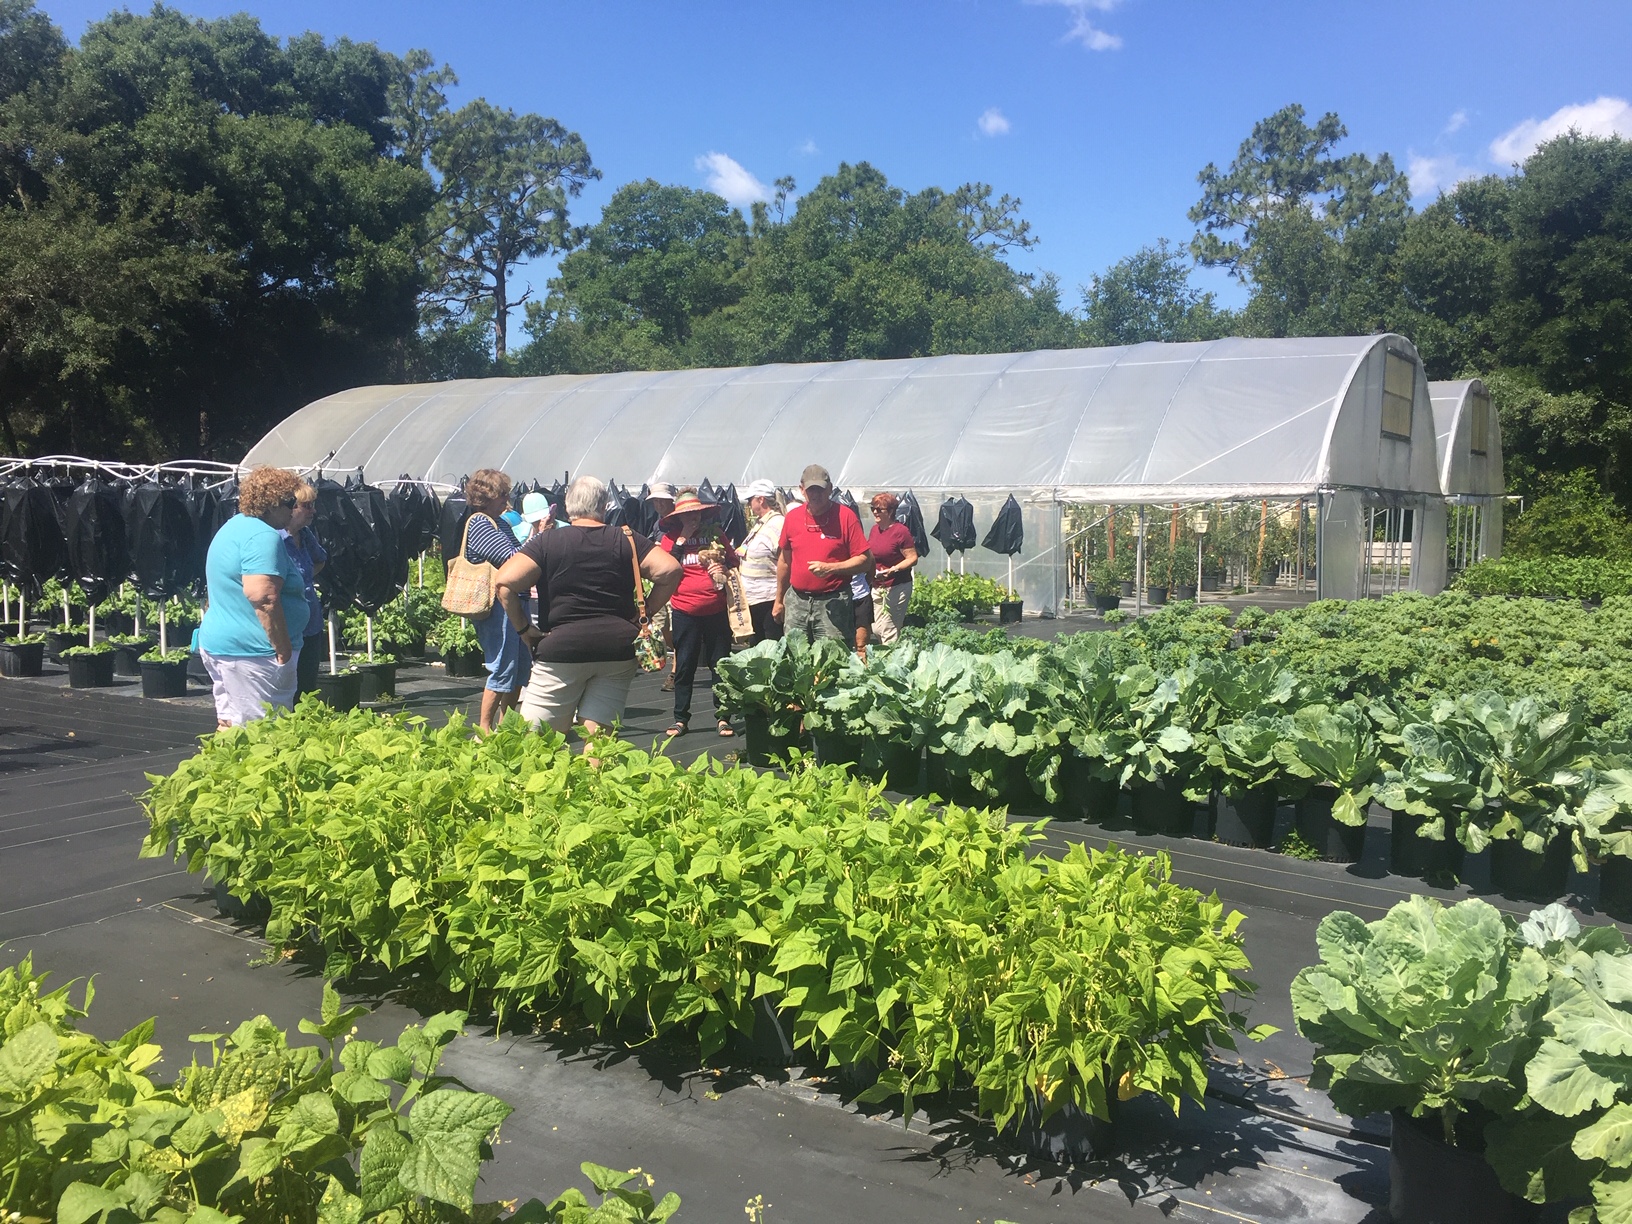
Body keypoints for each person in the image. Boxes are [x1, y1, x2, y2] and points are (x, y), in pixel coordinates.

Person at [495, 475, 683, 736]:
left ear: (567, 506)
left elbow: (504, 584)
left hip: (563, 649)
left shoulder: (549, 542)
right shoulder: (626, 538)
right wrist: (645, 612)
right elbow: (671, 570)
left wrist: (524, 629)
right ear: (605, 506)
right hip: (617, 650)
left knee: (537, 742)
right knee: (599, 739)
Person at [197, 466, 311, 729]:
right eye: (289, 503)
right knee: (264, 733)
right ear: (272, 504)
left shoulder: (234, 526)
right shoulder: (263, 536)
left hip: (226, 647)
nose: (294, 509)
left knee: (231, 726)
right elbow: (263, 596)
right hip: (253, 655)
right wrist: (282, 650)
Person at [657, 490, 740, 738]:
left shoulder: (715, 535)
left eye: (695, 513)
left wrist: (723, 566)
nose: (692, 518)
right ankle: (680, 718)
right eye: (686, 515)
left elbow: (734, 562)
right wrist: (683, 538)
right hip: (685, 610)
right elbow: (665, 567)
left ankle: (723, 717)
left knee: (720, 665)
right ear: (678, 518)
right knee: (685, 666)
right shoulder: (671, 539)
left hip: (716, 609)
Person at [460, 469, 530, 733]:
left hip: (513, 602)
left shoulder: (500, 523)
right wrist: (537, 536)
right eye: (502, 495)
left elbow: (520, 556)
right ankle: (485, 730)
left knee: (521, 666)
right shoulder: (480, 523)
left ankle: (507, 726)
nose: (506, 501)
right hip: (496, 606)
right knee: (503, 665)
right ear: (485, 497)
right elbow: (512, 560)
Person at [772, 464, 871, 642]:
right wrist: (779, 600)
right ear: (801, 490)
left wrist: (832, 568)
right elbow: (784, 562)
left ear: (830, 489)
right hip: (797, 601)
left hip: (833, 601)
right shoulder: (793, 518)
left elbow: (865, 560)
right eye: (811, 490)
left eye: (821, 489)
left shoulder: (845, 517)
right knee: (796, 656)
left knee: (833, 658)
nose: (816, 495)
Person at [281, 482, 327, 697]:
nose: (313, 511)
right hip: (287, 628)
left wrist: (302, 582)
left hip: (311, 624)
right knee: (286, 690)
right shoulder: (275, 539)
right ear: (291, 508)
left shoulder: (306, 535)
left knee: (307, 687)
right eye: (307, 506)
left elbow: (320, 561)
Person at [867, 492, 919, 646]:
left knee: (888, 630)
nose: (875, 512)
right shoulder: (874, 530)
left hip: (897, 586)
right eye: (873, 508)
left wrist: (893, 569)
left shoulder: (900, 531)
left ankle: (891, 664)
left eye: (879, 509)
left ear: (890, 512)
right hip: (877, 586)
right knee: (876, 628)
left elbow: (912, 558)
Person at [738, 479, 785, 643]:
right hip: (755, 599)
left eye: (751, 500)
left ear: (761, 499)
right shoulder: (760, 524)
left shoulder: (777, 524)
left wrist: (780, 601)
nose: (749, 504)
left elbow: (784, 562)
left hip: (768, 600)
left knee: (771, 647)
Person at [644, 482, 678, 690]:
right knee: (662, 626)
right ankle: (679, 657)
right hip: (659, 583)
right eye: (655, 500)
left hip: (677, 583)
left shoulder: (680, 522)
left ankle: (675, 671)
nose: (658, 504)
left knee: (675, 625)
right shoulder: (658, 525)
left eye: (661, 500)